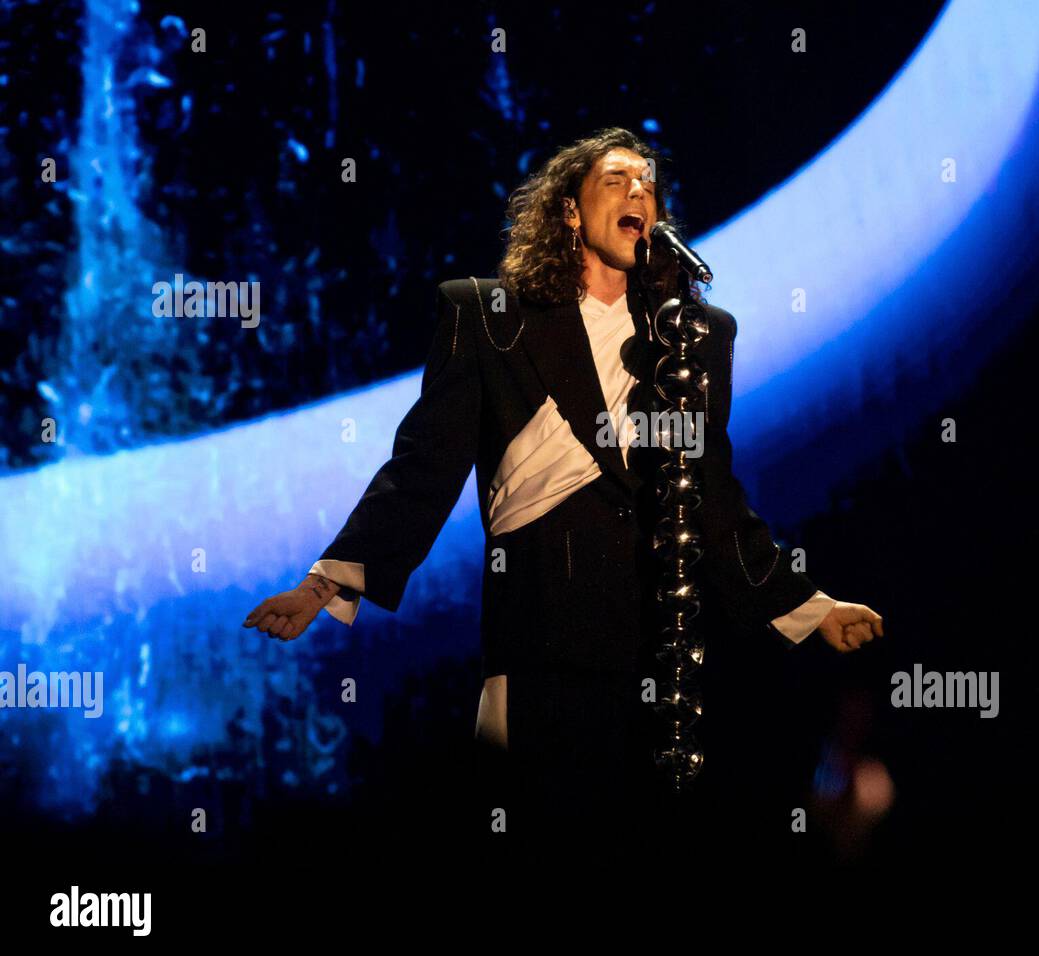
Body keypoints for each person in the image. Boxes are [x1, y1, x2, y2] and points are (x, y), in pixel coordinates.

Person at [242, 127, 884, 851]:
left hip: (658, 655)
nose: (637, 191)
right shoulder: (492, 318)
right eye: (616, 180)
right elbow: (422, 467)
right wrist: (325, 583)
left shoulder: (696, 339)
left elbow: (711, 495)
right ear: (571, 213)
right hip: (540, 639)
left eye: (648, 184)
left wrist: (806, 604)